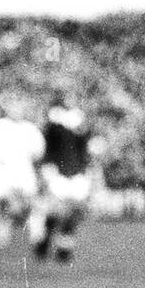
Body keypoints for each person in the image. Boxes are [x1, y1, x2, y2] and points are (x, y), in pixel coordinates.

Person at [33, 96, 97, 264]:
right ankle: (45, 242)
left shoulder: (80, 120)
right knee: (56, 211)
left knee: (74, 211)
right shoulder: (55, 120)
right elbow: (50, 145)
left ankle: (64, 247)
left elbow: (85, 146)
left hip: (77, 173)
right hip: (59, 172)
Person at [0, 97, 45, 247]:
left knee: (30, 203)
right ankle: (2, 235)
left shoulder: (30, 128)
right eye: (13, 107)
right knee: (3, 206)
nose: (16, 110)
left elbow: (39, 152)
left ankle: (36, 233)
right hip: (2, 174)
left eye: (20, 107)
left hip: (24, 173)